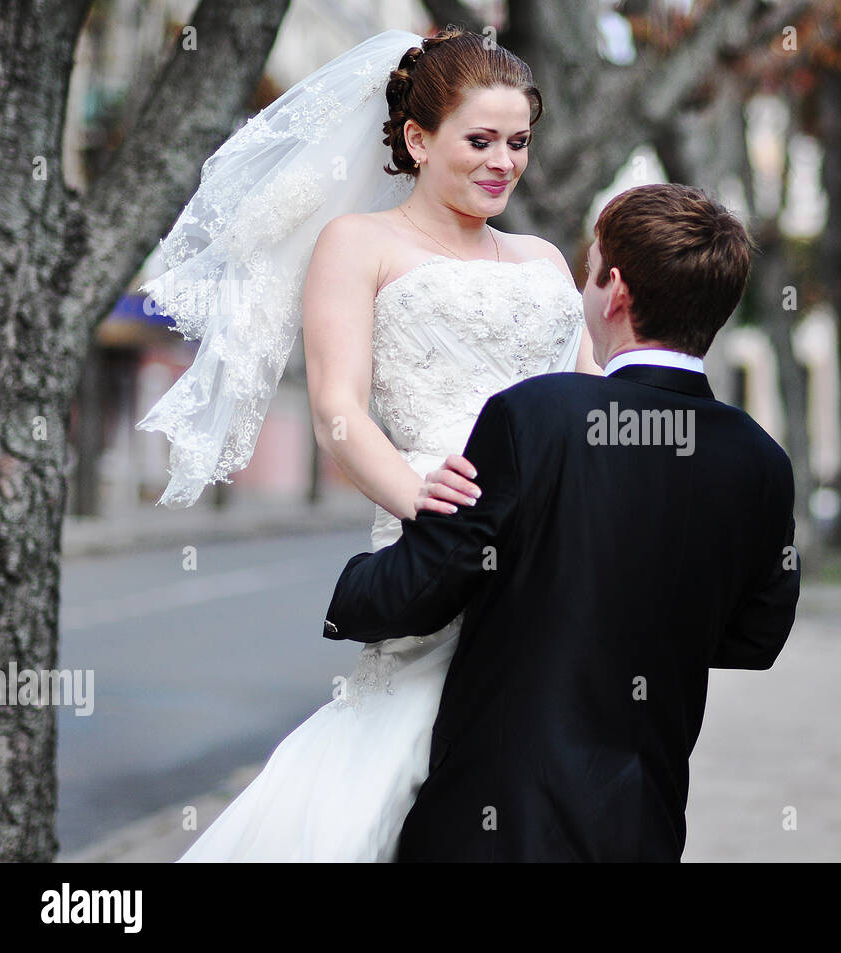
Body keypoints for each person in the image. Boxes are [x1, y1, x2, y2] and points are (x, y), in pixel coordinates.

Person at [137, 28, 595, 861]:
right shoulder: (359, 244)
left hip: (560, 548)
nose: (504, 161)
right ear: (419, 140)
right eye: (481, 140)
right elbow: (337, 411)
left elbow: (592, 400)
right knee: (413, 754)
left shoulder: (542, 257)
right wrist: (425, 500)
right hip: (438, 524)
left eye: (519, 141)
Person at [324, 183, 801, 862]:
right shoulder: (760, 459)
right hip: (644, 821)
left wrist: (350, 591)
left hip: (496, 819)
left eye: (589, 269)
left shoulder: (534, 415)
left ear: (615, 292)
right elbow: (758, 636)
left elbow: (422, 588)